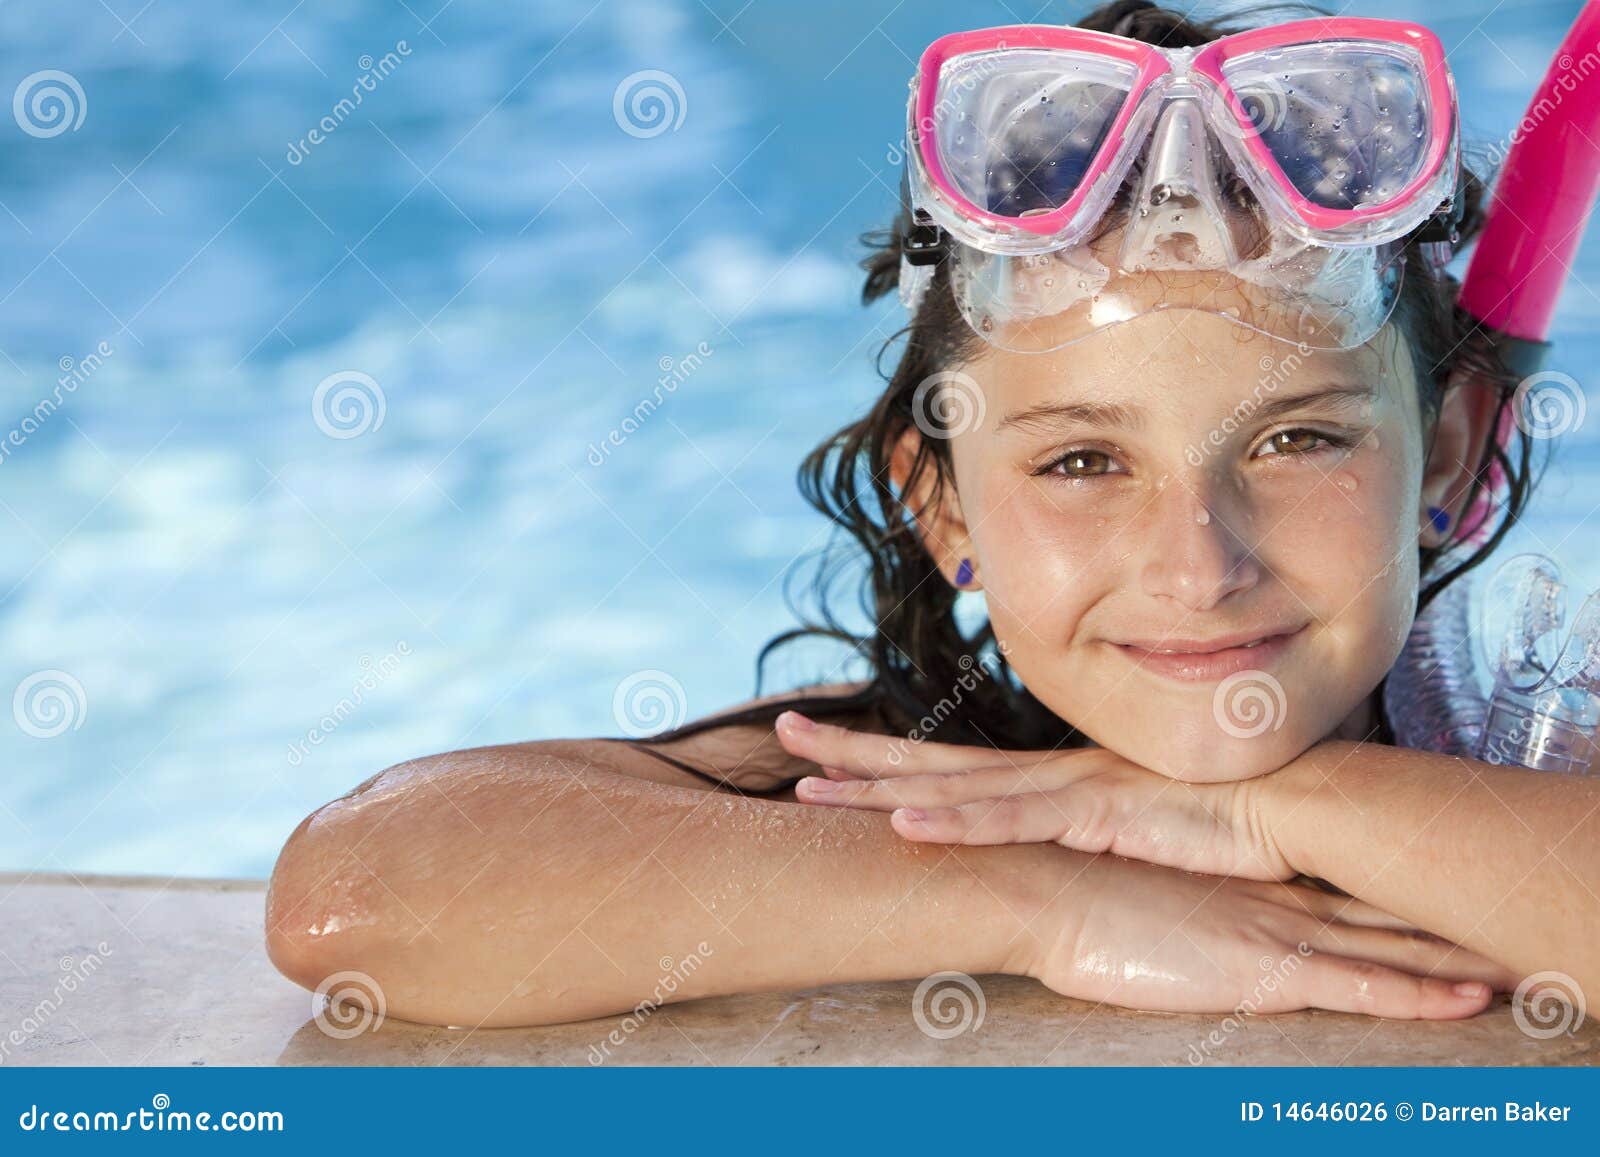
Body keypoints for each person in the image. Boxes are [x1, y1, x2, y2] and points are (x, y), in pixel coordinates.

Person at [264, 1, 1597, 1031]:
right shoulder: (917, 786)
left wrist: (1278, 813)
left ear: (1449, 454)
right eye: (1081, 461)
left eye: (1298, 437)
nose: (1198, 564)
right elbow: (359, 892)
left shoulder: (1530, 718)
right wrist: (1038, 898)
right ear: (941, 502)